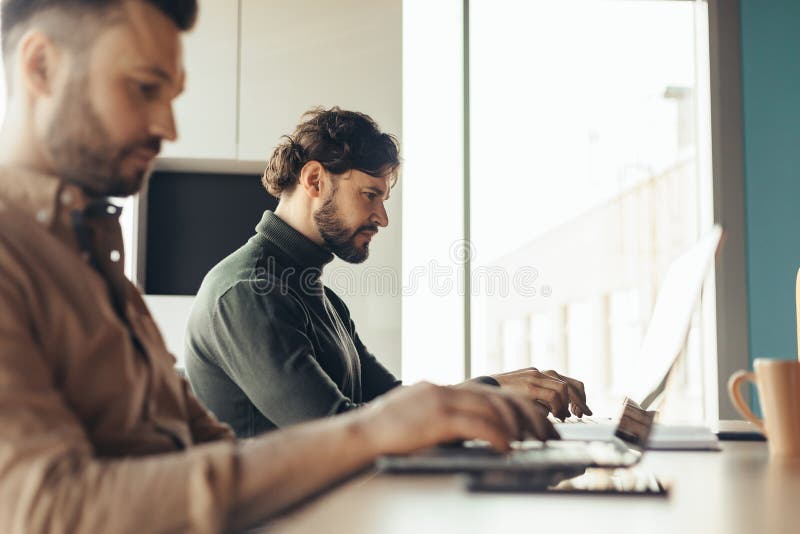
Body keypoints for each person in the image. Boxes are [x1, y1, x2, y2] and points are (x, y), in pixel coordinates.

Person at [0, 1, 558, 532]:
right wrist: (380, 431)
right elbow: (48, 510)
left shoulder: (89, 258)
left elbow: (211, 452)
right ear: (40, 66)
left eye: (170, 96)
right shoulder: (239, 289)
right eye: (145, 88)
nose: (169, 127)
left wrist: (482, 396)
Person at [185, 107, 592, 438]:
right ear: (314, 180)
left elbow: (388, 402)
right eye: (370, 195)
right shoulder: (246, 292)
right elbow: (338, 430)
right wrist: (494, 391)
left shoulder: (320, 298)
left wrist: (500, 392)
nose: (382, 217)